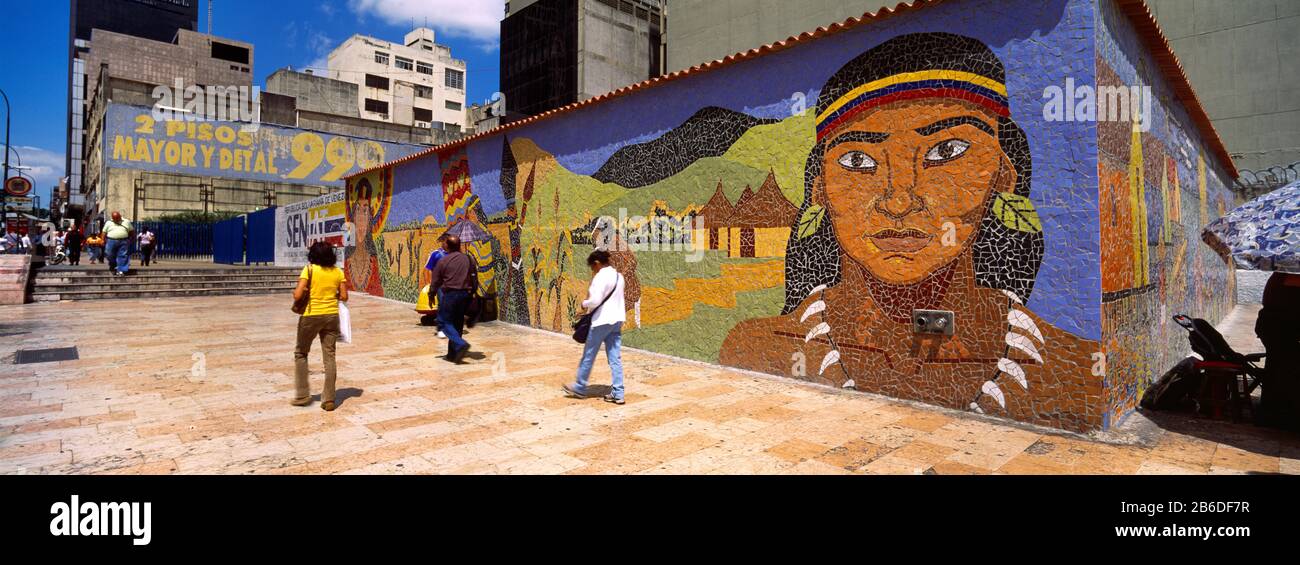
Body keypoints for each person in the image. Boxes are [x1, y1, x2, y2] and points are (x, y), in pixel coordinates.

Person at [718, 32, 1098, 426]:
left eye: (946, 151)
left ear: (1004, 172)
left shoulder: (1077, 370)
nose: (899, 200)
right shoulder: (757, 347)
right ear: (821, 190)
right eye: (857, 160)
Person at [562, 250, 628, 405]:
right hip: (617, 320)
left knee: (589, 355)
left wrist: (583, 304)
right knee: (615, 358)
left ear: (597, 263)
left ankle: (579, 387)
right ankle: (619, 393)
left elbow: (595, 300)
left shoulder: (600, 277)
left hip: (601, 321)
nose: (593, 271)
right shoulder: (620, 277)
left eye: (592, 268)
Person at [292, 241, 349, 411]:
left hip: (311, 315)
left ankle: (302, 395)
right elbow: (344, 296)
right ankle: (329, 399)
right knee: (329, 357)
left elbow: (297, 295)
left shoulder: (309, 269)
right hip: (331, 316)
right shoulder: (338, 272)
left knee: (301, 353)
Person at [1255, 272, 1300, 429]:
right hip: (1279, 330)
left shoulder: (1280, 276)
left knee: (1276, 367)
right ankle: (1281, 414)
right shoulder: (1290, 277)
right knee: (1285, 368)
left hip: (1274, 328)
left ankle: (1273, 411)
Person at [428, 235, 477, 363]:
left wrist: (431, 295)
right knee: (457, 323)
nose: (443, 244)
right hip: (465, 295)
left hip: (451, 295)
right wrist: (472, 293)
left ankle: (460, 344)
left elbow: (435, 281)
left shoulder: (444, 261)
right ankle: (452, 354)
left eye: (445, 242)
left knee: (443, 321)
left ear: (447, 246)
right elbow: (474, 277)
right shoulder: (468, 258)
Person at [425, 242, 448, 339]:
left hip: (453, 285)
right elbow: (429, 270)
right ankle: (441, 329)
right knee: (442, 304)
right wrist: (431, 285)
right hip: (440, 285)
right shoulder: (436, 254)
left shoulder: (455, 254)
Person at [101, 211, 134, 276]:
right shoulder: (108, 222)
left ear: (120, 216)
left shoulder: (126, 221)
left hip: (124, 240)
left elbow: (131, 231)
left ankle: (121, 270)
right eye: (114, 218)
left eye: (117, 218)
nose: (116, 220)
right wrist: (102, 240)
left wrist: (131, 239)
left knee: (123, 255)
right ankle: (113, 265)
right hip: (111, 240)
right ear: (112, 218)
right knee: (109, 254)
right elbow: (104, 232)